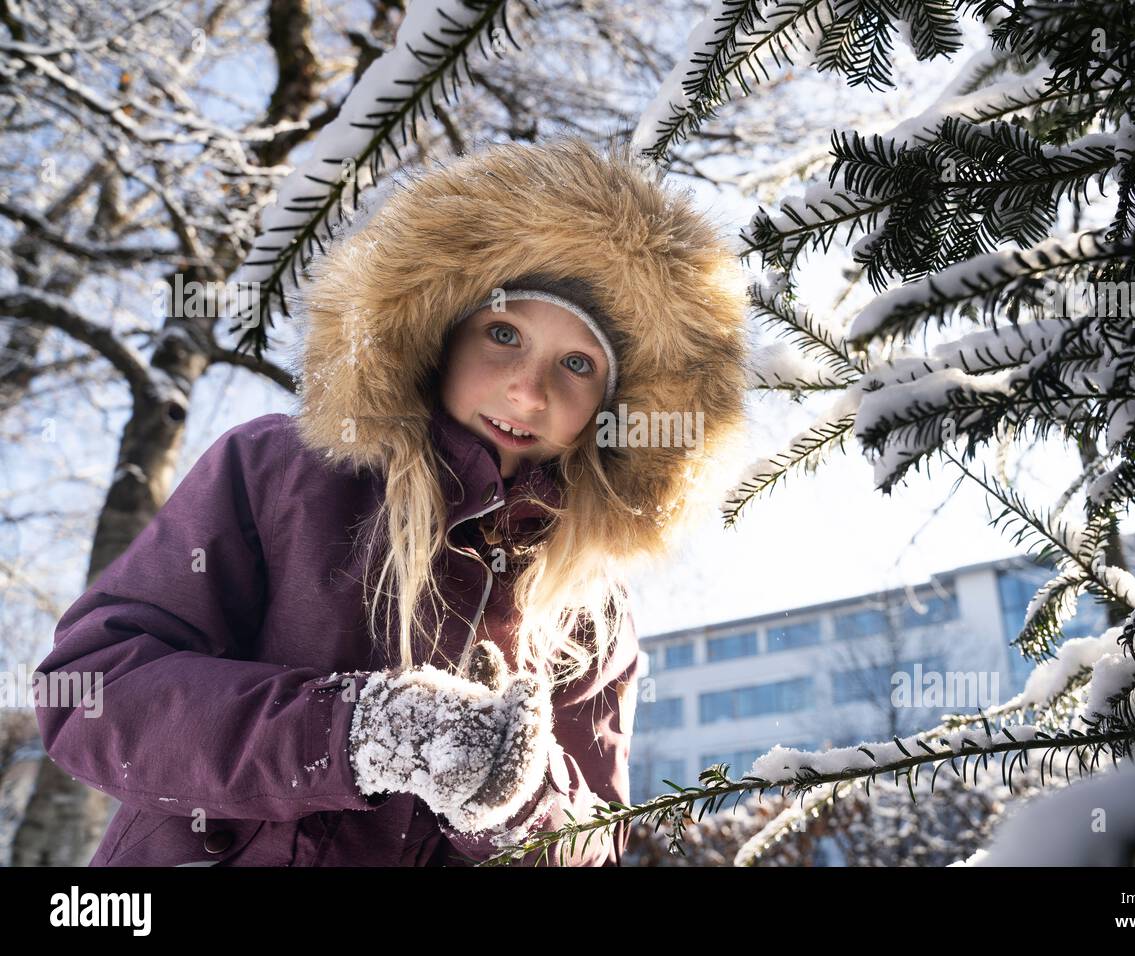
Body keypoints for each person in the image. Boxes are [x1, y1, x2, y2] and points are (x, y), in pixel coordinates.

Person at [31, 135, 751, 866]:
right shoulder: (279, 472)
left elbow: (592, 840)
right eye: (503, 333)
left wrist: (515, 798)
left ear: (613, 403)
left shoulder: (591, 613)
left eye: (576, 364)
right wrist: (355, 733)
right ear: (439, 335)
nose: (529, 391)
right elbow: (94, 692)